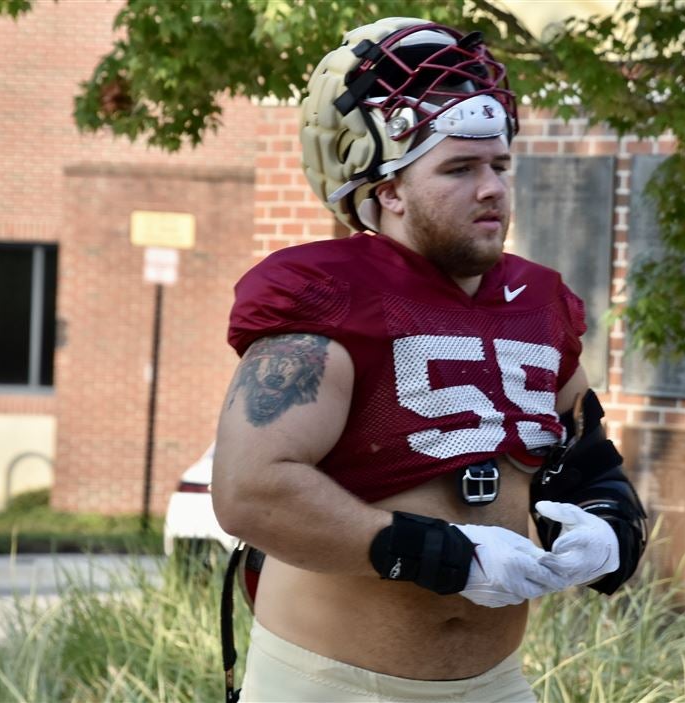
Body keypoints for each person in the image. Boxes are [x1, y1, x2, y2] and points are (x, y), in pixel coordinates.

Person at [212, 17, 646, 703]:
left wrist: (611, 525)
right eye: (459, 168)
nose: (492, 188)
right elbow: (250, 489)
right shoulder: (327, 294)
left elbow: (588, 457)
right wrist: (444, 554)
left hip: (494, 683)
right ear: (387, 191)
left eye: (500, 164)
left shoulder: (539, 300)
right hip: (330, 683)